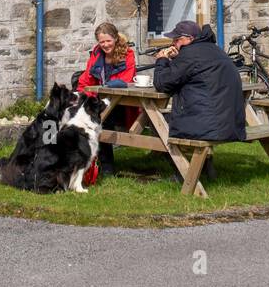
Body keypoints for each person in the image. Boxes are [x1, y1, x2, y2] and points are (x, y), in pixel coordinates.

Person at [153, 20, 246, 147]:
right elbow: (192, 74)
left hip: (207, 127)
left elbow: (162, 84)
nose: (173, 43)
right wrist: (176, 58)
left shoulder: (190, 54)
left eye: (176, 39)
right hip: (231, 125)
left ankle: (176, 162)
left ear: (189, 38)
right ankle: (204, 165)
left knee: (158, 120)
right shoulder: (215, 50)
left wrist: (162, 60)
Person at [75, 22, 139, 174]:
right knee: (82, 115)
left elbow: (127, 79)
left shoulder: (127, 54)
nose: (105, 45)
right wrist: (81, 96)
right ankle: (84, 162)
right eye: (101, 42)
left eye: (108, 40)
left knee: (103, 119)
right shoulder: (97, 54)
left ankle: (107, 166)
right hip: (100, 99)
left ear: (116, 38)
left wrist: (104, 89)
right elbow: (87, 78)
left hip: (122, 102)